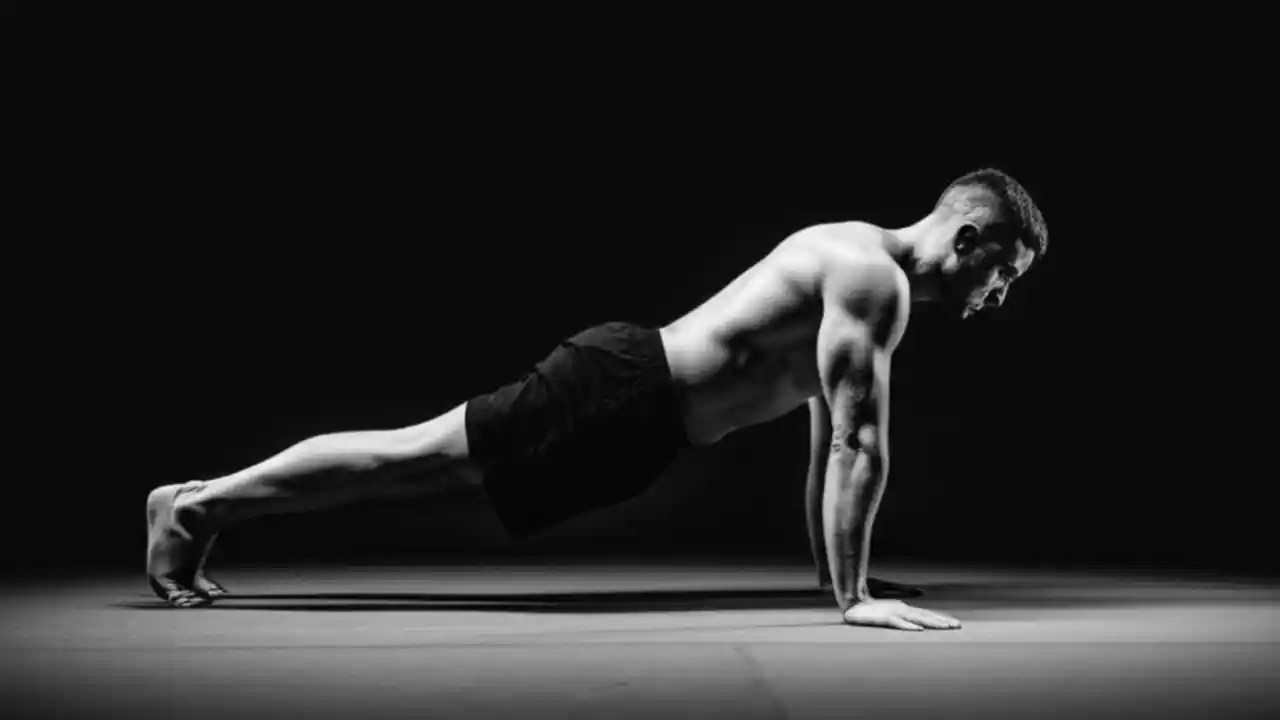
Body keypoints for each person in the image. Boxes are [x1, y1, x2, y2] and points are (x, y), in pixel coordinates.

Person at [147, 168, 1047, 631]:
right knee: (409, 459)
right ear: (968, 237)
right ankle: (192, 506)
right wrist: (854, 603)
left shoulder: (860, 274)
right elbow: (859, 442)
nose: (998, 297)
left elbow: (822, 434)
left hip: (636, 422)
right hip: (619, 393)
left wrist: (835, 578)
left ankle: (199, 506)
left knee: (416, 469)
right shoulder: (869, 279)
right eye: (1003, 273)